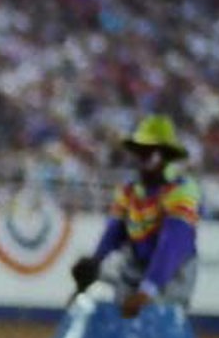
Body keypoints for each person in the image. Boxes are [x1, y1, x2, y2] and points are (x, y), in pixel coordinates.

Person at [71, 115, 200, 318]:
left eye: (149, 152)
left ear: (165, 155)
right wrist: (95, 263)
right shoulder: (129, 189)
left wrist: (146, 290)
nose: (142, 158)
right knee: (101, 297)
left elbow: (172, 245)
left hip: (173, 273)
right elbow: (114, 231)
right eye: (140, 151)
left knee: (154, 316)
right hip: (135, 267)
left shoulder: (182, 190)